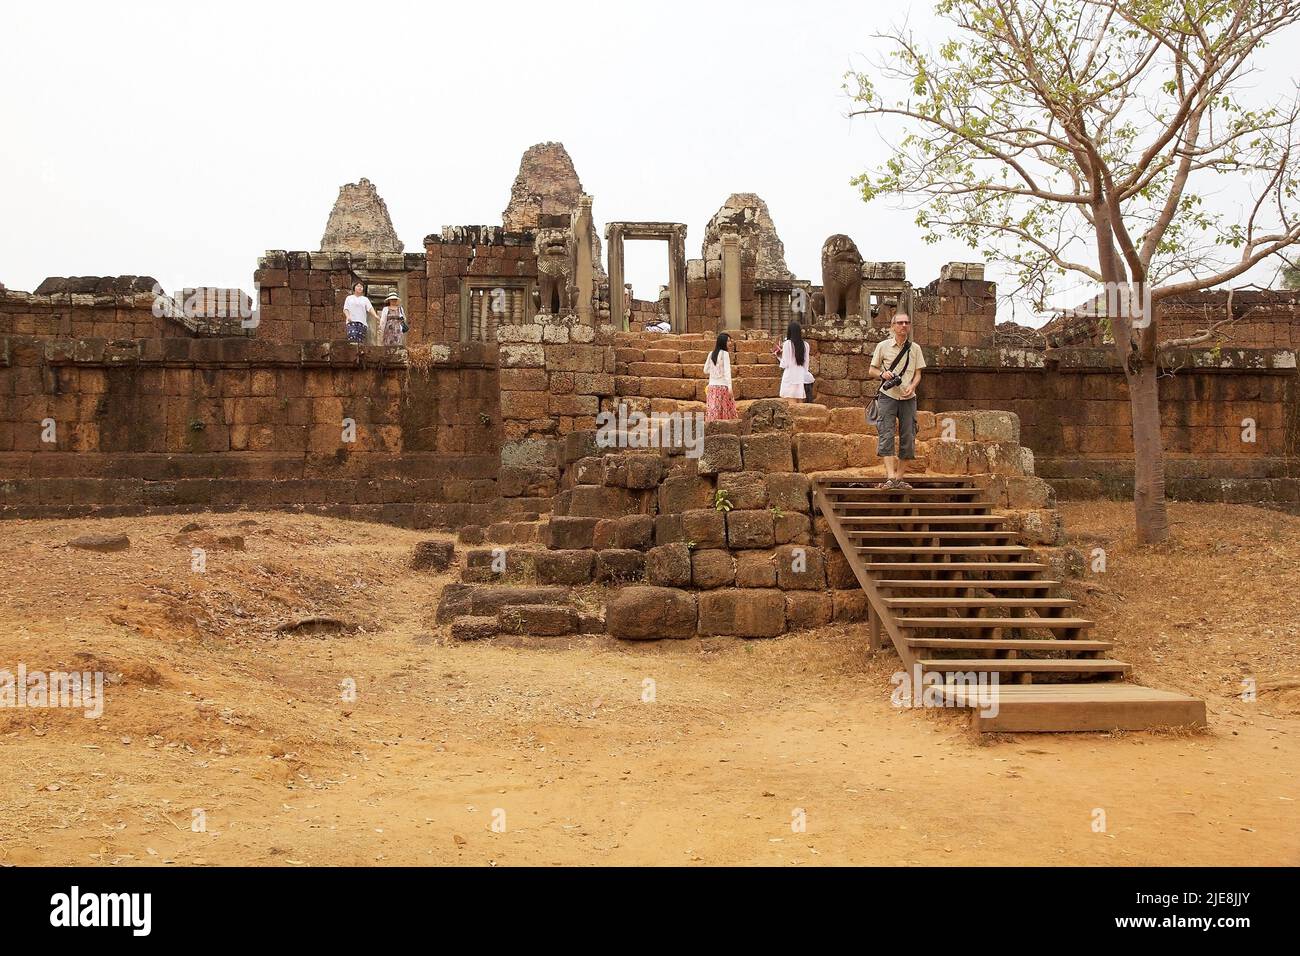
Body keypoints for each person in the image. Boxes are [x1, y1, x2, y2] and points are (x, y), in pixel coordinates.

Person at [869, 312, 926, 489]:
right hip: (888, 396)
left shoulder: (915, 348)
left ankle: (899, 478)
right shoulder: (883, 346)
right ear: (893, 326)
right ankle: (890, 477)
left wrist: (913, 386)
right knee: (886, 433)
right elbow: (871, 370)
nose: (903, 326)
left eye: (906, 323)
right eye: (900, 323)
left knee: (908, 436)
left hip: (909, 397)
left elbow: (918, 374)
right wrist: (882, 374)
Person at [703, 332, 737, 422]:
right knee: (724, 410)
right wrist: (730, 386)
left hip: (712, 387)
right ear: (723, 342)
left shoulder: (711, 354)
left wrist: (715, 372)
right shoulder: (725, 354)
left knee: (713, 410)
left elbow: (705, 370)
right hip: (723, 387)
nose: (730, 343)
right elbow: (727, 371)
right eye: (728, 341)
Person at [777, 320, 814, 402]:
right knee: (799, 400)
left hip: (790, 375)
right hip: (800, 375)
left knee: (789, 400)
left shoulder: (787, 344)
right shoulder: (806, 345)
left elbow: (785, 364)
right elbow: (806, 364)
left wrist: (779, 357)